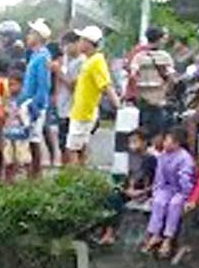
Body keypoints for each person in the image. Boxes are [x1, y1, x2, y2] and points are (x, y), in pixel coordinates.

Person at [67, 26, 119, 166]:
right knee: (81, 146)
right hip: (80, 109)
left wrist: (118, 106)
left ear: (89, 43)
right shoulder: (88, 60)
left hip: (84, 111)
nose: (79, 43)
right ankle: (83, 177)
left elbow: (106, 85)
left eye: (82, 40)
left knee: (72, 148)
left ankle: (74, 178)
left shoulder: (97, 61)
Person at [143, 126, 196, 258]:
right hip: (167, 188)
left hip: (181, 190)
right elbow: (159, 178)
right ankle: (155, 234)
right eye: (165, 140)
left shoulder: (185, 158)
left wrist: (186, 195)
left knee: (174, 205)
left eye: (168, 141)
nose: (165, 143)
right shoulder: (162, 156)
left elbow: (186, 180)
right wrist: (156, 192)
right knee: (159, 202)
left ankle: (168, 238)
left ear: (177, 143)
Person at [99, 129, 157, 245]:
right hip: (131, 190)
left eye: (135, 141)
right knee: (111, 197)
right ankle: (107, 232)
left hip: (144, 192)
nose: (132, 145)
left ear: (144, 142)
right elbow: (130, 176)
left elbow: (154, 182)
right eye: (130, 142)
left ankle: (110, 233)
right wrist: (128, 189)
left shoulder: (151, 159)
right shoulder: (131, 157)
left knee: (117, 200)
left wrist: (142, 193)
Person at [16, 20, 54, 178]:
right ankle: (33, 171)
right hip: (28, 101)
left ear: (38, 37)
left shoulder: (43, 57)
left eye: (31, 33)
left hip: (34, 103)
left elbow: (44, 84)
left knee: (34, 138)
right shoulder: (34, 55)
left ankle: (36, 173)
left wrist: (36, 104)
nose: (28, 36)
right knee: (30, 137)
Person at [129, 27, 176, 139]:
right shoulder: (165, 57)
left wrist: (138, 92)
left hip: (143, 102)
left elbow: (132, 76)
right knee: (157, 134)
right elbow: (172, 78)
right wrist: (165, 92)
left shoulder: (139, 57)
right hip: (159, 101)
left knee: (142, 133)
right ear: (159, 40)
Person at [53, 31, 85, 165]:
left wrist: (58, 71)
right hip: (63, 106)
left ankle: (80, 171)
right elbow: (59, 81)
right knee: (63, 142)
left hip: (76, 108)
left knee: (77, 144)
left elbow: (74, 85)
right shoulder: (64, 59)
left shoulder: (83, 62)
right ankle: (65, 170)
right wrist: (55, 95)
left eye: (67, 45)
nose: (65, 48)